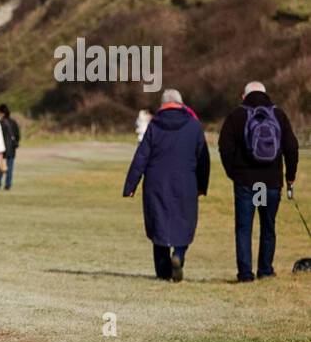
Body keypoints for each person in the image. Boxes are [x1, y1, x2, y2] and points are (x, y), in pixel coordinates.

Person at [122, 89, 209, 282]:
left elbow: (141, 156)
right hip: (186, 182)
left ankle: (163, 271)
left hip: (156, 182)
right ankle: (179, 253)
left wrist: (130, 185)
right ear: (181, 104)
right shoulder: (194, 126)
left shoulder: (154, 126)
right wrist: (202, 185)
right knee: (185, 221)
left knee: (158, 221)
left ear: (162, 105)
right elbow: (203, 159)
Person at [218, 80, 299, 281]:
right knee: (268, 226)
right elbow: (292, 148)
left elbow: (224, 147)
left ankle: (245, 274)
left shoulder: (236, 116)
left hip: (246, 182)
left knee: (244, 228)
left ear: (243, 97)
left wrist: (233, 173)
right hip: (270, 182)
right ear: (266, 94)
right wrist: (290, 176)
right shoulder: (278, 115)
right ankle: (265, 270)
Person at [0, 104, 21, 191]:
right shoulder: (13, 122)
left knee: (0, 166)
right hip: (11, 149)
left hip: (1, 148)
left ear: (1, 112)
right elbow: (17, 135)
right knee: (9, 167)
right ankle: (8, 185)